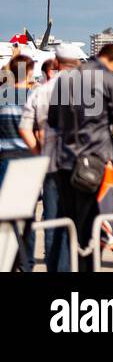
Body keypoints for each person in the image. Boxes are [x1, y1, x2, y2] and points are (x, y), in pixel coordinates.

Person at [47, 42, 113, 272]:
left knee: (68, 222)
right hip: (94, 161)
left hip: (64, 160)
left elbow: (53, 119)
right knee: (91, 225)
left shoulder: (66, 80)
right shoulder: (109, 80)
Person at [19, 48, 78, 270]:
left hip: (51, 164)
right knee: (77, 221)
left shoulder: (40, 92)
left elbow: (25, 129)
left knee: (52, 219)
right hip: (78, 165)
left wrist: (40, 153)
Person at [0, 55, 37, 270]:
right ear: (29, 72)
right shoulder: (34, 98)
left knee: (6, 217)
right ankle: (26, 263)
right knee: (27, 217)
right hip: (28, 160)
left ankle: (7, 261)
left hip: (6, 158)